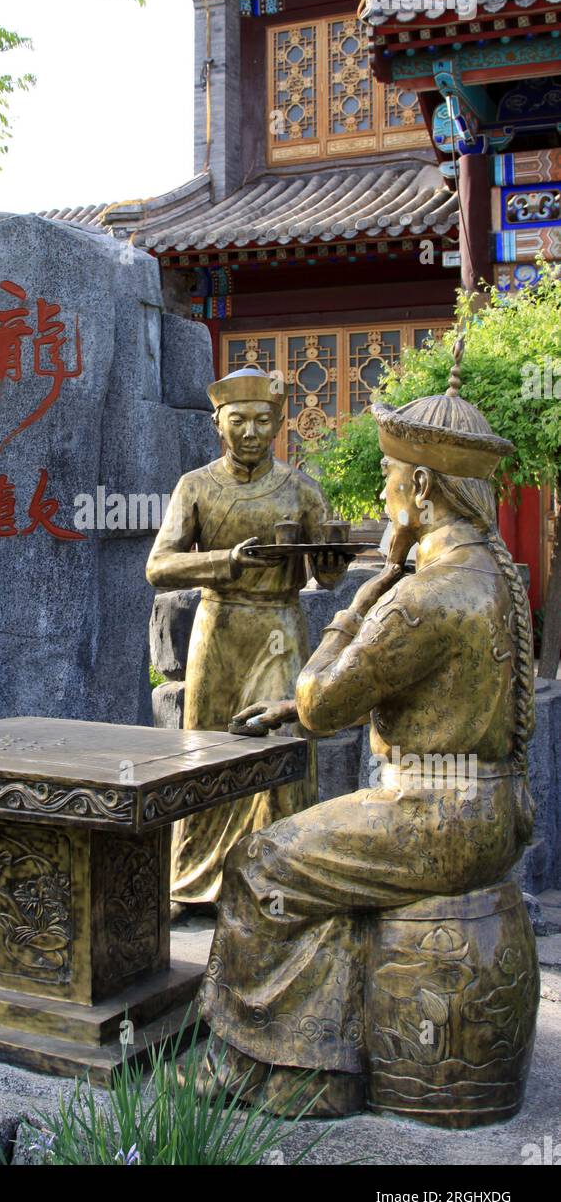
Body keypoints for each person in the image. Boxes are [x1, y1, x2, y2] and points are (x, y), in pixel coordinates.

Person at [196, 342, 535, 1116]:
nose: (384, 493)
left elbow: (320, 700)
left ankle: (266, 1069)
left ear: (421, 485)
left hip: (433, 815)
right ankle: (320, 1059)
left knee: (260, 864)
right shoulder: (499, 575)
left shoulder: (420, 595)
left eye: (388, 478)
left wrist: (365, 592)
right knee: (318, 862)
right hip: (496, 813)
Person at [146, 366, 347, 914]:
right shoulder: (196, 486)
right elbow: (159, 567)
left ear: (279, 423)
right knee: (204, 750)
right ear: (218, 423)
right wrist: (224, 564)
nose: (252, 432)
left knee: (282, 744)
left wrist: (328, 566)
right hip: (219, 631)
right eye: (240, 421)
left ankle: (282, 876)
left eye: (263, 420)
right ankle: (190, 881)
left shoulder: (302, 489)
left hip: (279, 627)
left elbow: (326, 572)